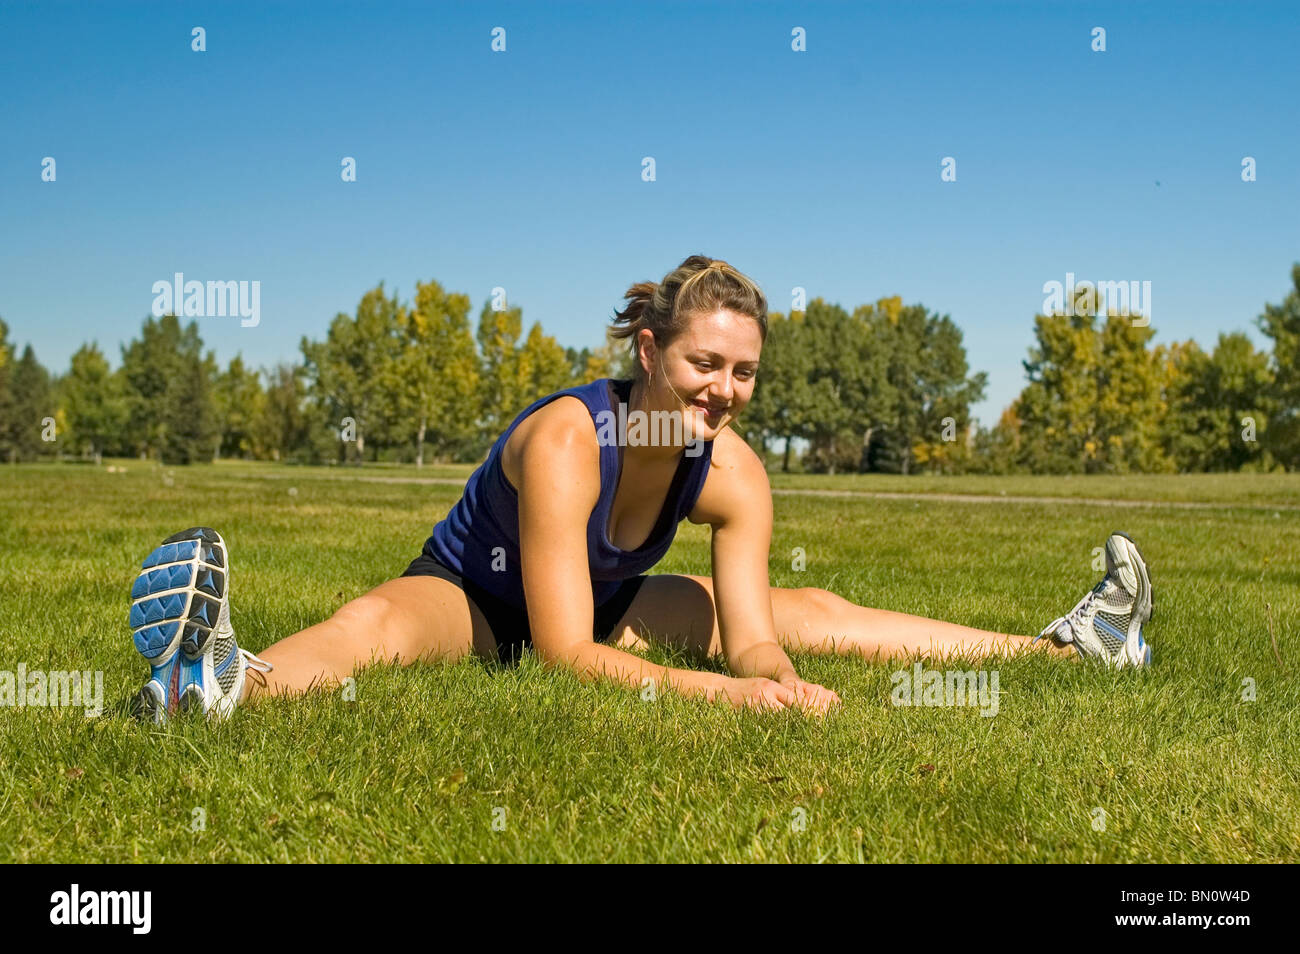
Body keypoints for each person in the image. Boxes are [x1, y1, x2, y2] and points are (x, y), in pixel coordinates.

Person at [126, 254, 1154, 723]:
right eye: (706, 363)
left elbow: (749, 633)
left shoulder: (736, 473)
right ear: (651, 348)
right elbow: (562, 654)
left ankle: (1066, 647)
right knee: (372, 628)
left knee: (812, 611)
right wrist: (728, 703)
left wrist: (770, 674)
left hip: (611, 607)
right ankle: (214, 685)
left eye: (744, 372)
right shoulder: (574, 439)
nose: (725, 389)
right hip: (480, 602)